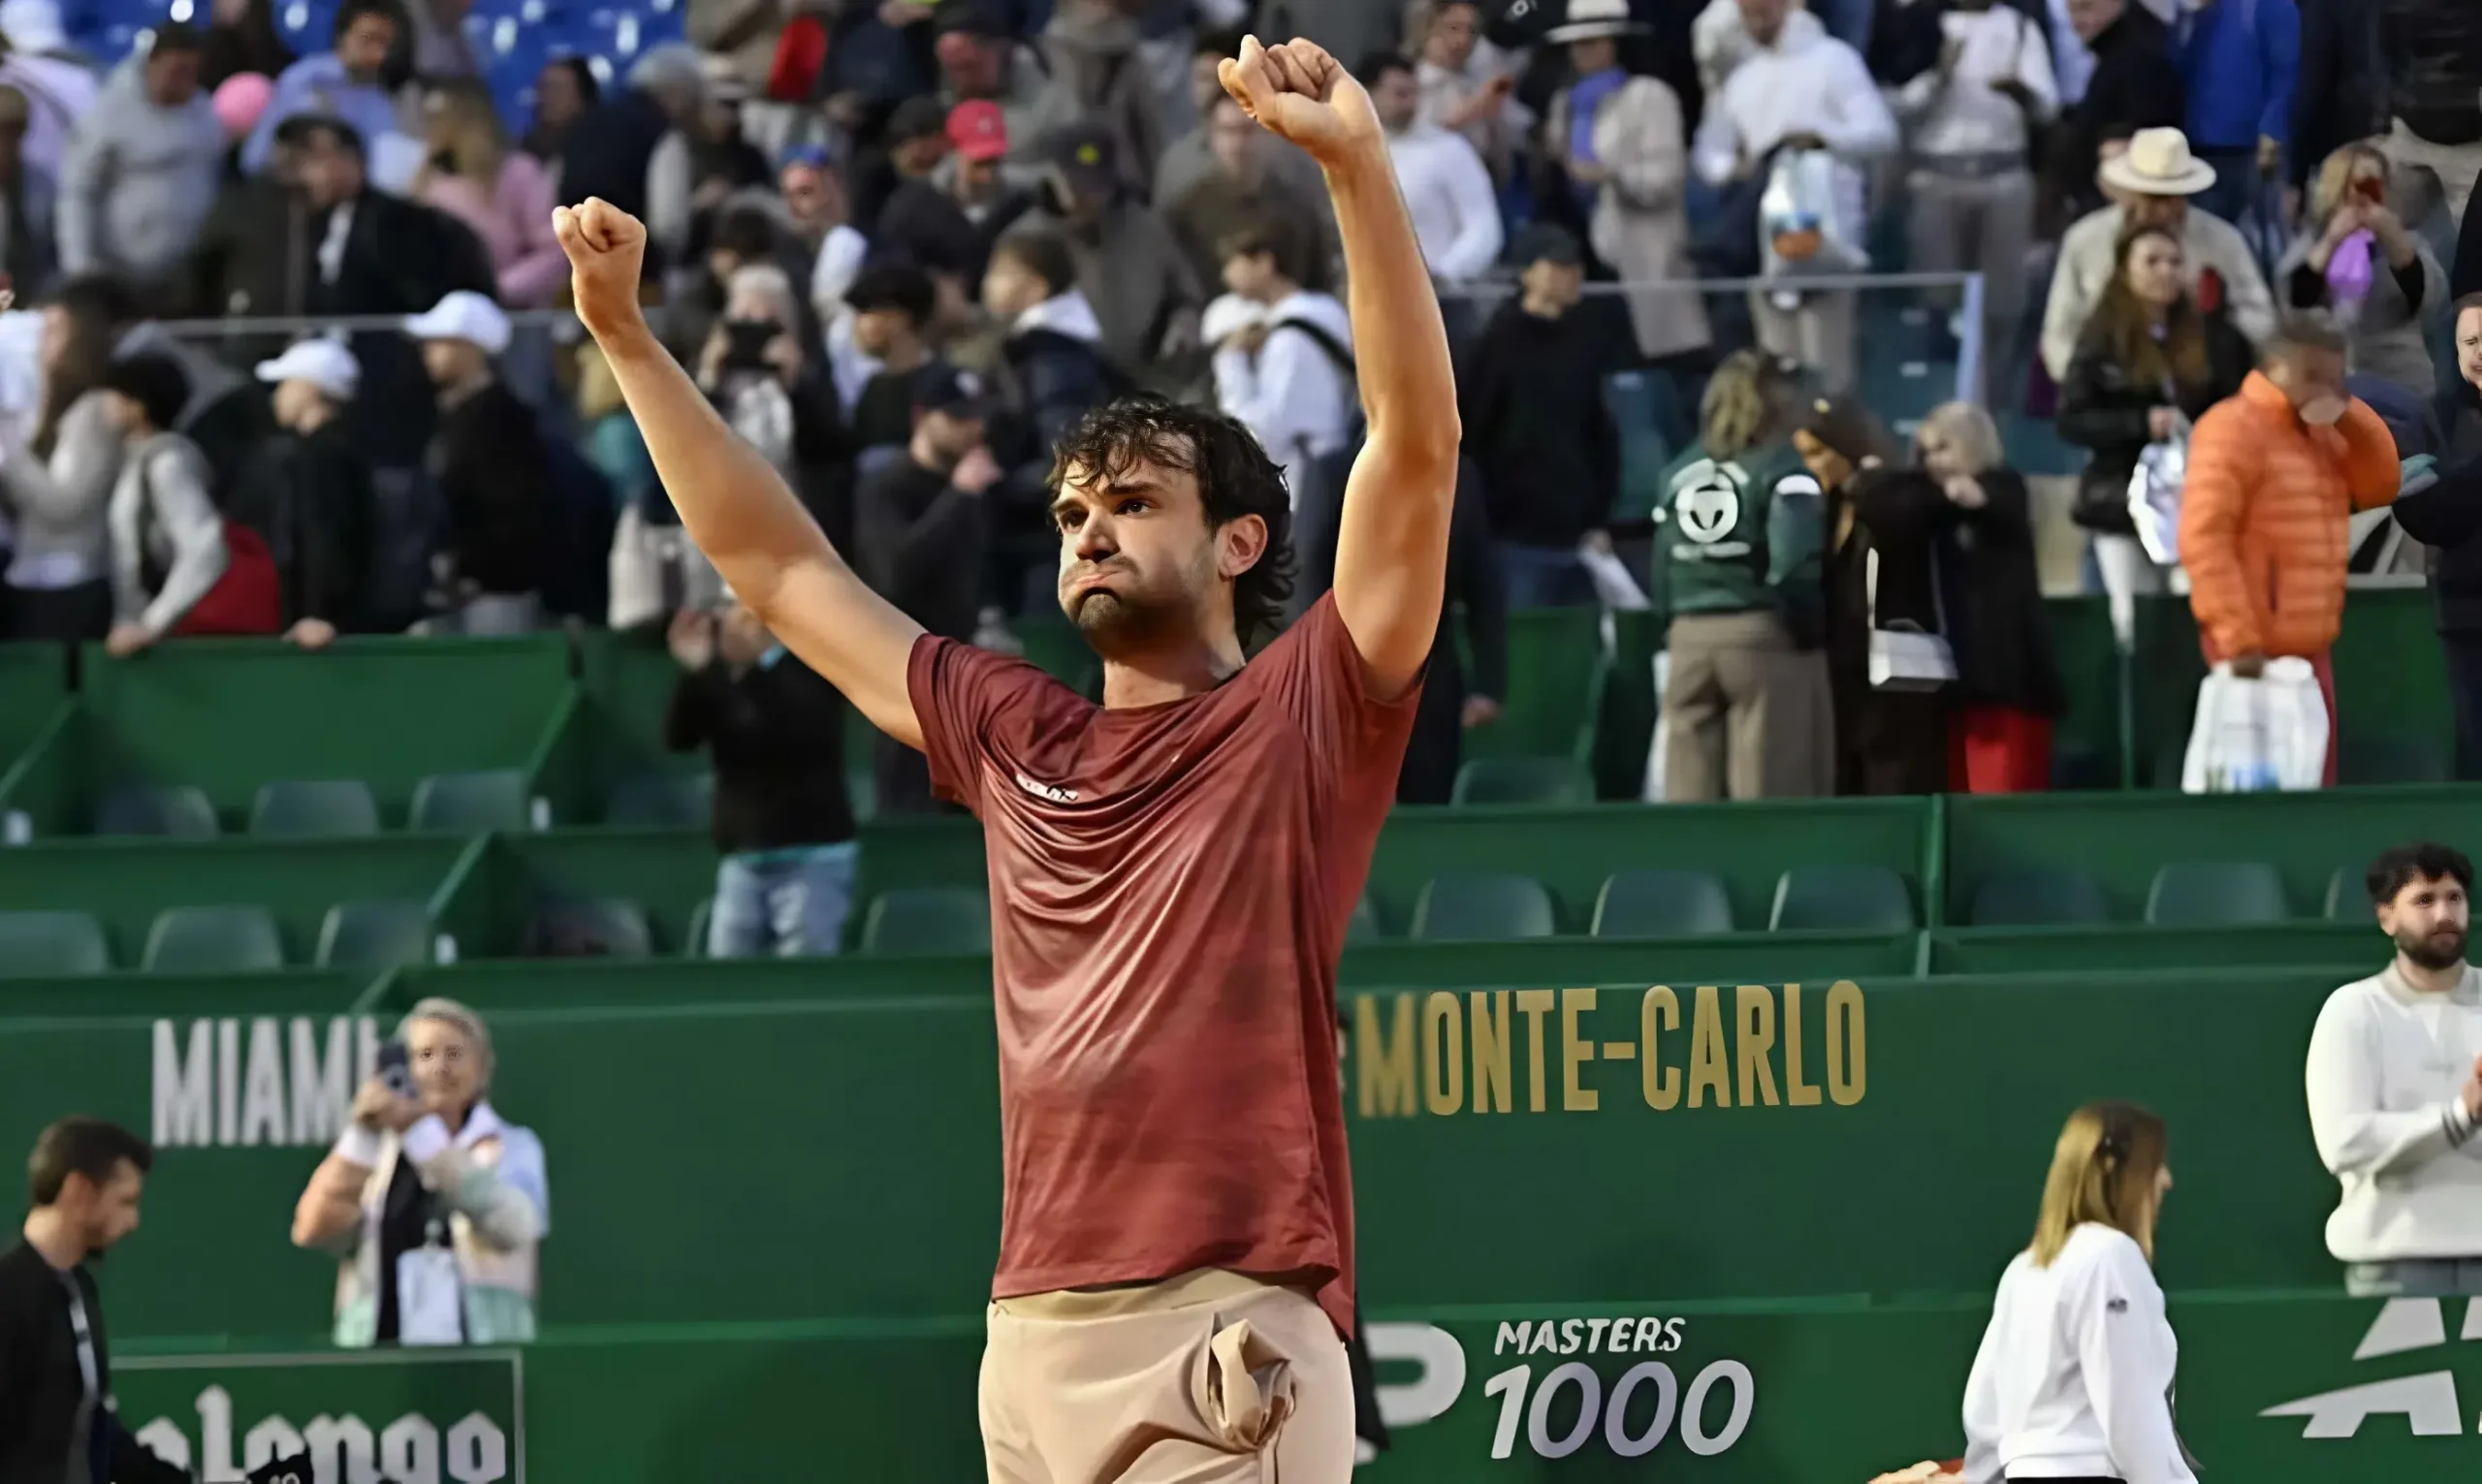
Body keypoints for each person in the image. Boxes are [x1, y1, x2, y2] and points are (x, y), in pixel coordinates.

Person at [554, 25, 1458, 1480]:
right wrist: (627, 339)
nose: (1090, 525)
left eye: (1132, 501)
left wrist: (1355, 171)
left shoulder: (1310, 708)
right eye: (1070, 510)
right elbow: (779, 571)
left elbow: (1413, 452)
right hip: (1027, 1334)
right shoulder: (1012, 726)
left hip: (1222, 1323)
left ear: (1237, 542)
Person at [2180, 316, 2402, 786]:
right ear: (2275, 367)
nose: (2326, 390)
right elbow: (2204, 538)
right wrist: (2238, 638)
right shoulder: (2229, 429)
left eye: (2336, 379)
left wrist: (2348, 413)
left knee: (2315, 781)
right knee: (2255, 796)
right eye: (2313, 377)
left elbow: (2381, 483)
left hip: (2308, 647)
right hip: (2251, 651)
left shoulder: (2321, 432)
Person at [289, 998, 548, 1346]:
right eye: (424, 1055)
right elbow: (314, 1230)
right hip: (378, 1353)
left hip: (486, 1356)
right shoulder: (374, 1153)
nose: (440, 1067)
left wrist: (424, 1138)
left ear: (482, 1068)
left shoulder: (513, 1145)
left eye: (454, 1054)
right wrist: (361, 1136)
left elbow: (515, 1227)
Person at [1958, 1100, 2191, 1484]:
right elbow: (2127, 1408)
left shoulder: (2024, 1270)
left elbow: (1984, 1412)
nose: (2165, 1179)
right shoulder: (2109, 1257)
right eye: (2154, 1165)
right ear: (2120, 1173)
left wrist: (1981, 1479)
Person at [2055, 222, 2253, 646]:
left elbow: (2243, 404)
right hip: (2121, 502)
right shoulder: (2101, 340)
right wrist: (2139, 424)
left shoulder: (2213, 337)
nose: (2166, 271)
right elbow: (2072, 420)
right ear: (2125, 270)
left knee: (2198, 616)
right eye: (2152, 261)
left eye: (2175, 261)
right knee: (2132, 624)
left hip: (2198, 499)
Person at [1653, 349, 1834, 802]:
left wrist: (1675, 624)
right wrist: (1812, 627)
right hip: (1760, 636)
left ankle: (1691, 871)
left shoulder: (1676, 473)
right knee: (1767, 788)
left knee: (1687, 792)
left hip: (1688, 637)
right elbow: (1794, 563)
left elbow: (1661, 568)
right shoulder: (1784, 469)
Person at [1692, 0, 1899, 393]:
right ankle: (1788, 451)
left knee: (1829, 369)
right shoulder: (1743, 78)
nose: (1756, 19)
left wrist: (1822, 139)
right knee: (1777, 368)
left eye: (1765, 8)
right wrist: (1736, 169)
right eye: (1748, 12)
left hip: (1826, 235)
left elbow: (1880, 132)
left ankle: (1835, 447)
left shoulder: (1835, 60)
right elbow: (1710, 148)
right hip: (1766, 238)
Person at [2304, 842, 2482, 1298]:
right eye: (2424, 900)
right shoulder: (2352, 1010)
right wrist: (2459, 1117)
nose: (2444, 913)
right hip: (2390, 1265)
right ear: (2386, 917)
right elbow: (2345, 1143)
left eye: (2454, 898)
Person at [665, 597, 857, 957]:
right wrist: (696, 672)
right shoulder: (723, 677)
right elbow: (679, 738)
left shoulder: (816, 661)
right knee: (729, 991)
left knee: (802, 988)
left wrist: (752, 664)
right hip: (743, 862)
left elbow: (789, 729)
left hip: (811, 860)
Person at [0, 1118, 187, 1484]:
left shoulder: (79, 1290)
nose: (133, 1221)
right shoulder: (8, 1296)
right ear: (79, 1191)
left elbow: (93, 1431)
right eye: (125, 1201)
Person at [1455, 222, 1627, 610]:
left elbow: (1600, 434)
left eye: (1576, 265)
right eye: (1559, 264)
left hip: (1578, 535)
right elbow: (1474, 437)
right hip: (1512, 536)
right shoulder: (1495, 346)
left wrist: (1599, 519)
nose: (1573, 274)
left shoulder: (1587, 341)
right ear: (1527, 272)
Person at [854, 364, 997, 816]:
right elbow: (895, 572)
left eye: (975, 417)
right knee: (911, 809)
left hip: (967, 678)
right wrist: (958, 496)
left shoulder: (977, 487)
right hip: (907, 677)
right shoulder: (887, 487)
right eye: (955, 418)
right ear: (921, 418)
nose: (970, 430)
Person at [1895, 0, 2055, 392]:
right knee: (1939, 295)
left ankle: (1991, 400)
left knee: (2002, 303)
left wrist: (2021, 94)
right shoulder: (1923, 22)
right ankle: (1936, 401)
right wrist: (1939, 74)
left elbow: (2048, 106)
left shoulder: (2019, 27)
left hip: (2002, 173)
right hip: (1938, 174)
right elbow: (1898, 106)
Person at [1798, 395, 1953, 796]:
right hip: (1841, 671)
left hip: (1897, 674)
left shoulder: (1902, 490)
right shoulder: (1820, 509)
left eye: (1817, 454)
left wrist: (1863, 482)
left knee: (1898, 778)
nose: (1809, 467)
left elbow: (1901, 520)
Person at [2040, 127, 2275, 385]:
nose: (2161, 209)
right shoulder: (2085, 241)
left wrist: (2212, 317)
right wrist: (2084, 383)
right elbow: (2059, 330)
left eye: (2170, 196)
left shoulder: (2222, 242)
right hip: (2109, 389)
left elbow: (2262, 320)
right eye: (2151, 196)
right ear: (2129, 192)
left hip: (2201, 387)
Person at [1912, 402, 2067, 793]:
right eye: (1927, 453)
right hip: (1959, 679)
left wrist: (1962, 496)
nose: (1934, 462)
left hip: (2006, 678)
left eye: (1943, 448)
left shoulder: (2006, 488)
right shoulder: (1932, 508)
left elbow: (1989, 499)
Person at [1545, 4, 1709, 368]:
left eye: (1590, 42)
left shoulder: (1649, 96)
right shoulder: (1565, 103)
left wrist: (1611, 175)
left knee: (1665, 366)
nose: (1580, 52)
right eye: (1576, 44)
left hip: (1644, 251)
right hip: (1583, 246)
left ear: (1613, 45)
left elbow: (1666, 177)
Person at [98, 351, 278, 656]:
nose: (103, 404)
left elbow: (205, 546)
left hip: (169, 644)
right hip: (141, 638)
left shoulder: (167, 463)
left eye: (114, 395)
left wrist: (152, 624)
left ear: (138, 406)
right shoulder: (133, 462)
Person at [407, 290, 549, 635]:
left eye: (440, 342)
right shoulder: (453, 418)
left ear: (470, 346)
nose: (428, 352)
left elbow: (512, 509)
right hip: (458, 593)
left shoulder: (500, 420)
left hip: (495, 598)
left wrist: (472, 568)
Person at [56, 21, 221, 305]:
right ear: (152, 64)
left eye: (192, 72)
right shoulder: (107, 113)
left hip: (189, 273)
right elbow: (77, 193)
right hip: (120, 273)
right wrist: (79, 265)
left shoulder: (203, 111)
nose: (184, 81)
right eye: (176, 71)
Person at [228, 336, 372, 647]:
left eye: (285, 384)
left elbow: (324, 536)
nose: (276, 397)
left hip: (322, 631)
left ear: (310, 388)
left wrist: (319, 615)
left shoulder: (321, 457)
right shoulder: (341, 449)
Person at [1209, 216, 1355, 522]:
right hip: (1347, 467)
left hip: (1311, 493)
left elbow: (1262, 436)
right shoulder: (1327, 310)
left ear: (1264, 263)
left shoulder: (1288, 340)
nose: (1225, 275)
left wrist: (1231, 362)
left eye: (1233, 263)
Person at [2392, 295, 2482, 777]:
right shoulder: (2431, 420)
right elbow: (2426, 513)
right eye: (2470, 340)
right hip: (2468, 615)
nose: (2480, 352)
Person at [0, 281, 120, 641]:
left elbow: (66, 505)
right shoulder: (40, 414)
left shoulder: (93, 410)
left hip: (70, 587)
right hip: (26, 581)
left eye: (52, 331)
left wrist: (9, 449)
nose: (39, 341)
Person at [2276, 142, 2444, 396]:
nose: (2364, 196)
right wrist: (2333, 240)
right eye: (2356, 185)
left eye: (2375, 184)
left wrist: (2391, 235)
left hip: (2400, 384)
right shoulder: (2312, 244)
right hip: (2328, 383)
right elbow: (2294, 303)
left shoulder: (2406, 241)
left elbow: (2429, 298)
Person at [1360, 52, 1502, 288]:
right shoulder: (1343, 153)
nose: (1411, 104)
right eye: (1400, 94)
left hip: (1439, 302)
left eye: (1415, 93)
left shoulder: (1449, 149)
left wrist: (1443, 274)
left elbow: (1484, 228)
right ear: (1367, 95)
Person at [2169, 0, 2297, 227]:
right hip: (2192, 148)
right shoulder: (2187, 11)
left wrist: (2273, 128)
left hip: (2250, 151)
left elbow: (2287, 70)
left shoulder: (2266, 5)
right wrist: (2189, 18)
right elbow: (2173, 67)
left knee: (2257, 240)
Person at [239, 0, 403, 174]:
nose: (377, 53)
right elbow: (257, 155)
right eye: (368, 39)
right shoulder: (305, 78)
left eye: (384, 44)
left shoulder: (380, 102)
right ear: (343, 35)